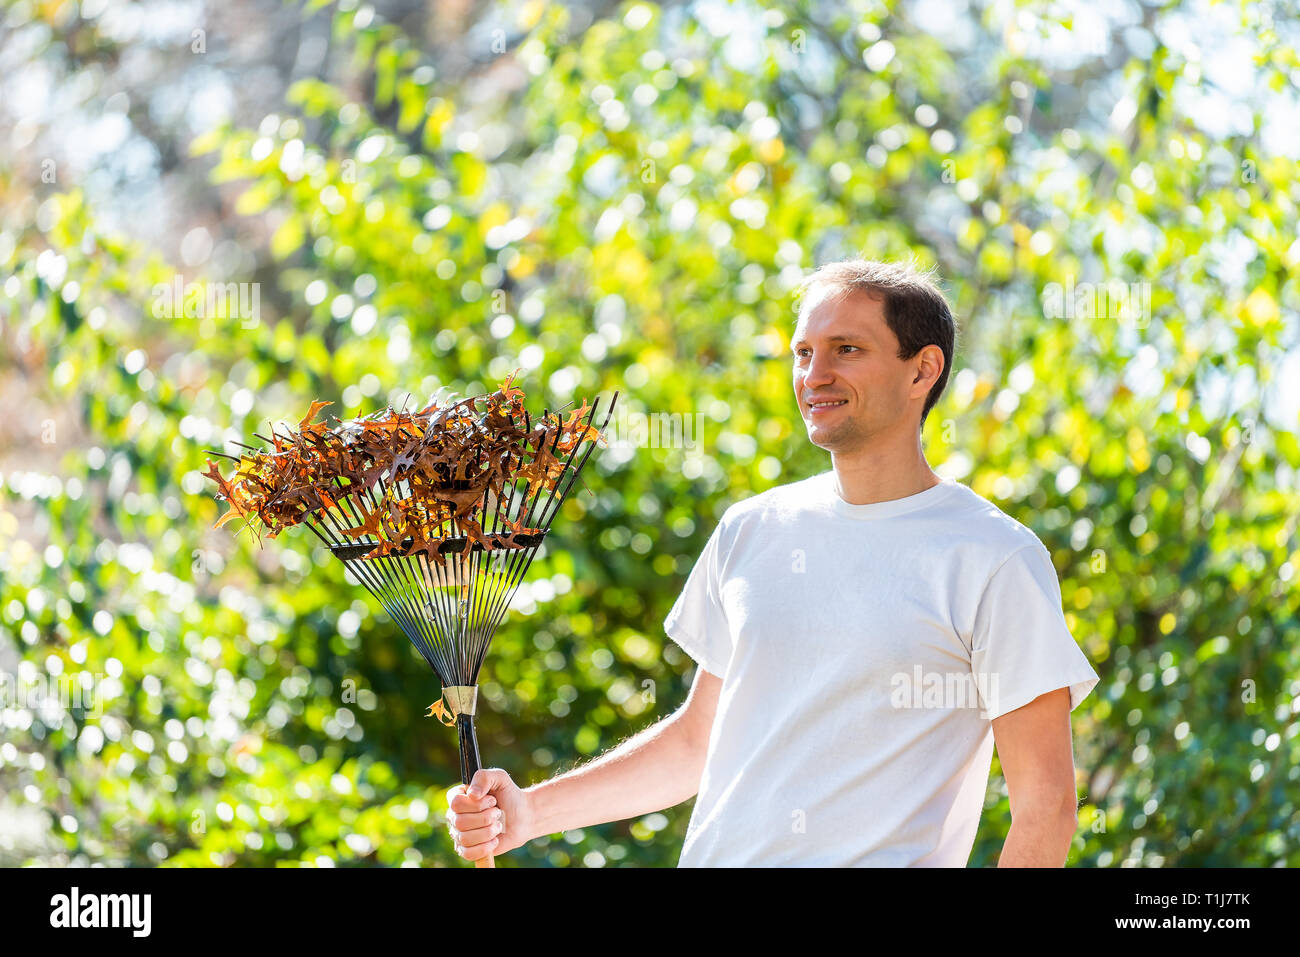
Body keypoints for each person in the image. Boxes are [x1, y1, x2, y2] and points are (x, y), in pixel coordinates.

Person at [445, 258, 1100, 867]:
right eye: (804, 353)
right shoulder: (752, 528)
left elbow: (1045, 809)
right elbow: (696, 743)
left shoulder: (992, 555)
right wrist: (532, 810)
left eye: (847, 349)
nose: (815, 375)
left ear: (922, 370)